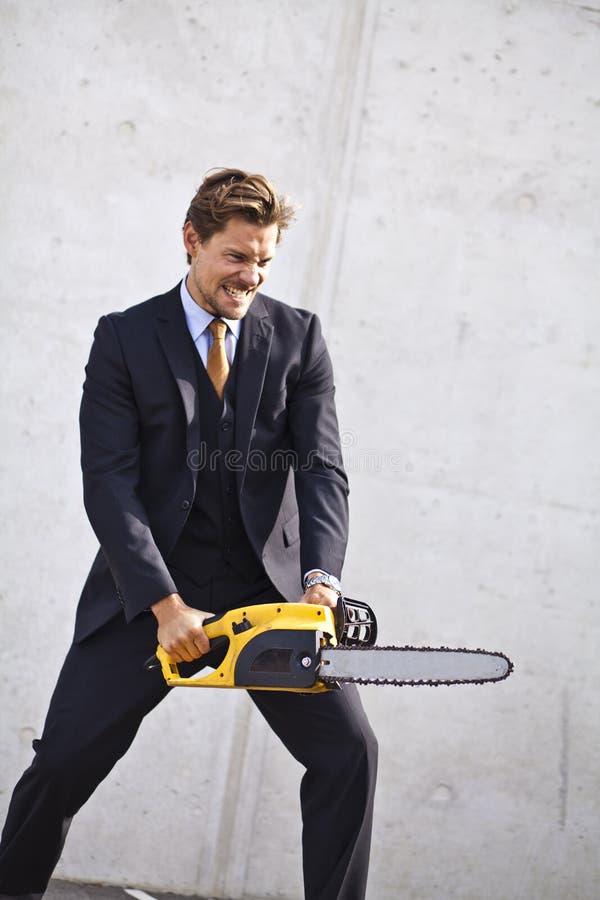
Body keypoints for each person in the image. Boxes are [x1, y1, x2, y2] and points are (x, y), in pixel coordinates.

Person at [0, 169, 377, 900]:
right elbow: (109, 483)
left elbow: (323, 468)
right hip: (149, 591)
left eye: (264, 260)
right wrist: (164, 606)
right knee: (61, 766)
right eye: (237, 257)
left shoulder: (299, 338)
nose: (252, 275)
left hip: (266, 590)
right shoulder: (124, 338)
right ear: (192, 240)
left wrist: (322, 580)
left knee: (350, 754)